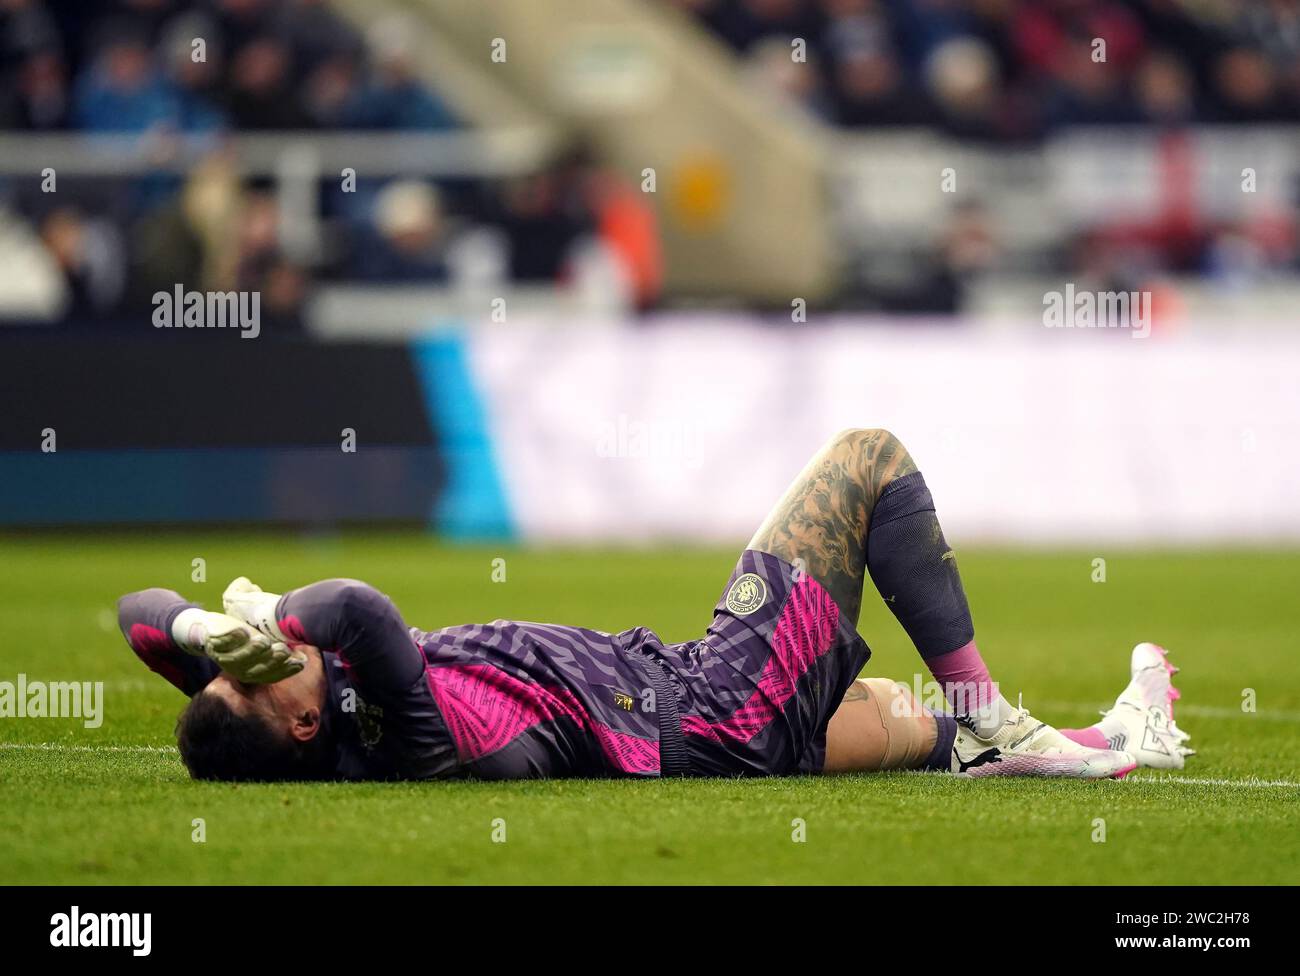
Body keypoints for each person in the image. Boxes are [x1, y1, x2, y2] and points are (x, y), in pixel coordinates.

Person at [118, 429, 1192, 781]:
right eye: (260, 671)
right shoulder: (415, 734)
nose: (257, 652)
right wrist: (282, 618)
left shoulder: (307, 720)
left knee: (944, 745)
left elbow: (137, 609)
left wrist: (198, 633)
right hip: (711, 702)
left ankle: (1110, 736)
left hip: (683, 711)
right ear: (304, 721)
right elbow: (355, 603)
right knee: (867, 458)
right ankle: (991, 704)